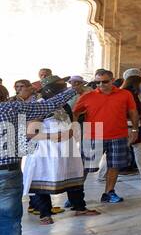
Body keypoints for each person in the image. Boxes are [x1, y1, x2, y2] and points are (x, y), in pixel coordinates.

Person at [2, 78, 80, 235]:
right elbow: (49, 106)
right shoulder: (11, 109)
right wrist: (73, 89)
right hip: (7, 173)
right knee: (9, 222)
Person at [24, 78, 99, 224]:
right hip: (46, 150)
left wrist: (72, 131)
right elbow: (30, 132)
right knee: (43, 180)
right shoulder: (39, 106)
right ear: (50, 91)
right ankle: (45, 214)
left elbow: (70, 122)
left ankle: (79, 207)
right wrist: (53, 136)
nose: (65, 92)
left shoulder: (64, 105)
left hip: (66, 147)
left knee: (74, 178)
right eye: (61, 89)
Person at [74, 70, 139, 204]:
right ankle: (75, 196)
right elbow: (75, 113)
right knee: (85, 167)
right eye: (97, 82)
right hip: (93, 133)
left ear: (112, 80)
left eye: (105, 81)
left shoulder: (125, 94)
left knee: (114, 165)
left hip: (118, 134)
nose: (101, 85)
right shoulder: (88, 96)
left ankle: (109, 192)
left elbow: (132, 111)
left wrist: (134, 129)